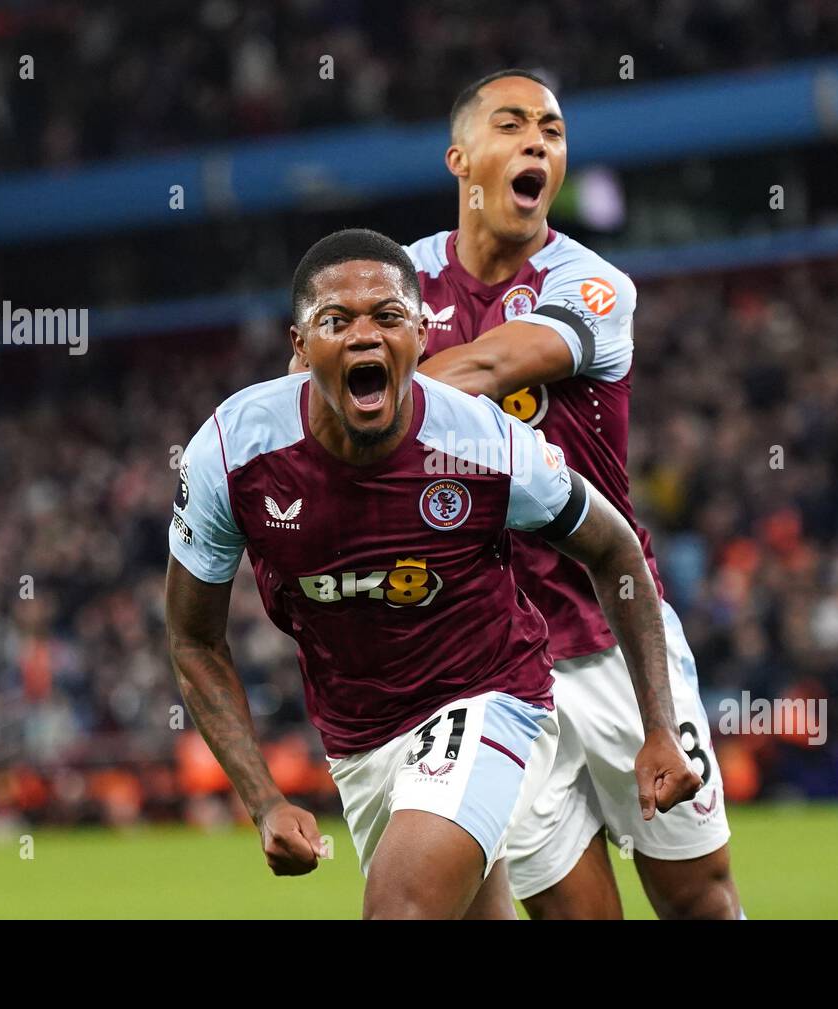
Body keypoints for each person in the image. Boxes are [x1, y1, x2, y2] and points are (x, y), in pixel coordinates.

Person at [166, 228, 699, 919]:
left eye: (387, 317)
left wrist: (658, 722)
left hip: (488, 693)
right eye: (336, 321)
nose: (364, 337)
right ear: (299, 347)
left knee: (401, 909)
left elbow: (615, 548)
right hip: (360, 737)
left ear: (421, 335)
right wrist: (263, 798)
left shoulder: (482, 440)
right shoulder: (230, 453)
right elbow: (192, 638)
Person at [410, 69, 740, 919]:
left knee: (699, 897)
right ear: (460, 159)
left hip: (612, 642)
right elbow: (313, 362)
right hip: (498, 670)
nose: (537, 143)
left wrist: (356, 395)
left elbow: (486, 367)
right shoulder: (400, 286)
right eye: (513, 125)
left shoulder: (592, 285)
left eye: (552, 131)